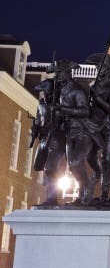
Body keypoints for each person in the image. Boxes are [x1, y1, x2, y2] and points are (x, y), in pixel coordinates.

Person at [50, 59, 99, 205]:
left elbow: (84, 111)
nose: (56, 76)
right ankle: (81, 196)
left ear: (67, 73)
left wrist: (62, 109)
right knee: (72, 165)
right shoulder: (61, 91)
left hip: (83, 131)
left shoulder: (77, 90)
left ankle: (87, 190)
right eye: (56, 73)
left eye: (59, 73)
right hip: (70, 132)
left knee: (77, 162)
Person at [85, 53, 110, 203]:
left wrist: (98, 98)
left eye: (100, 68)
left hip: (107, 126)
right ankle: (90, 184)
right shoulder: (93, 86)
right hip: (93, 124)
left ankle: (105, 190)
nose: (97, 70)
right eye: (96, 68)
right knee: (89, 155)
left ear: (107, 70)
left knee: (107, 158)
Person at [30, 78, 67, 206]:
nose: (46, 96)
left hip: (57, 139)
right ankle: (50, 198)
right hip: (44, 139)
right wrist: (35, 128)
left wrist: (58, 126)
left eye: (48, 93)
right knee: (41, 167)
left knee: (50, 168)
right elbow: (38, 120)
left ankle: (52, 199)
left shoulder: (61, 105)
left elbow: (67, 123)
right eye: (44, 93)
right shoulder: (41, 104)